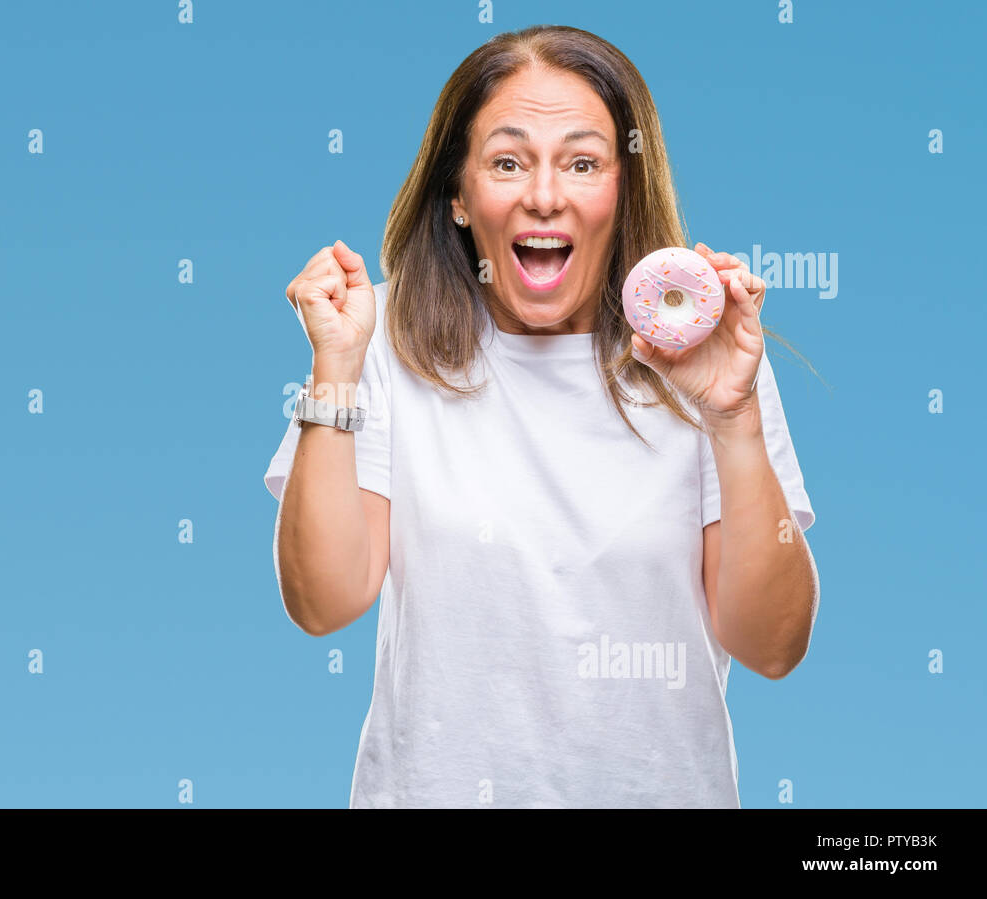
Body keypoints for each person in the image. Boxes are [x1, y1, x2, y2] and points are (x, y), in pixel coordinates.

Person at [262, 24, 819, 809]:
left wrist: (733, 418)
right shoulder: (381, 342)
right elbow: (323, 601)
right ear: (458, 194)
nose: (546, 194)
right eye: (508, 161)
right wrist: (335, 370)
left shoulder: (705, 353)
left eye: (584, 162)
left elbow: (772, 645)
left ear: (624, 189)